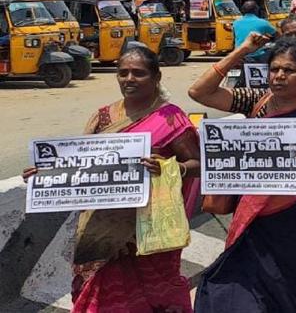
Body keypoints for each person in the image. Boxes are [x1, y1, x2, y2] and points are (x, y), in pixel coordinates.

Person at [190, 35, 296, 313]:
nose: (279, 76)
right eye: (275, 69)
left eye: (289, 70)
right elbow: (199, 93)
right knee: (236, 294)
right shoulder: (258, 102)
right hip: (254, 223)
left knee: (294, 299)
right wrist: (243, 50)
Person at [23, 46, 200, 313]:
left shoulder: (171, 118)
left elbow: (197, 164)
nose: (129, 79)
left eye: (138, 73)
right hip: (101, 226)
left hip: (146, 229)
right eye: (123, 73)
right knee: (102, 293)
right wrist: (46, 175)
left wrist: (169, 168)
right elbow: (81, 164)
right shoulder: (103, 116)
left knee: (151, 296)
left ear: (156, 77)